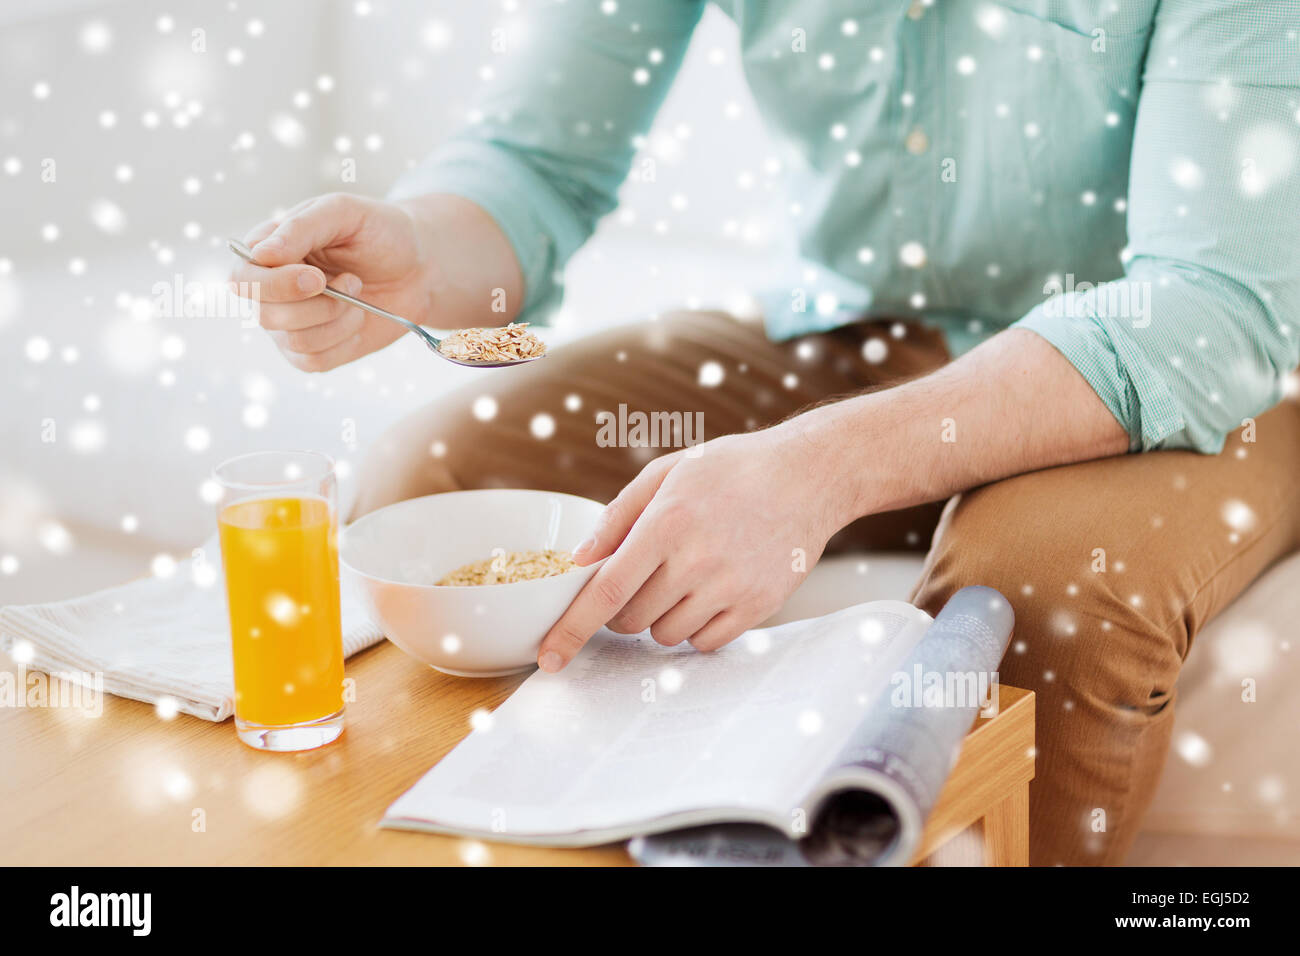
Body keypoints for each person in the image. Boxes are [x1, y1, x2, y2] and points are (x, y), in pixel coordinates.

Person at [230, 1, 1300, 865]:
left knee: (1040, 590)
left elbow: (1209, 304)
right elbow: (537, 159)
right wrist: (420, 252)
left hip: (1183, 372)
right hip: (847, 328)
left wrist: (821, 466)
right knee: (434, 479)